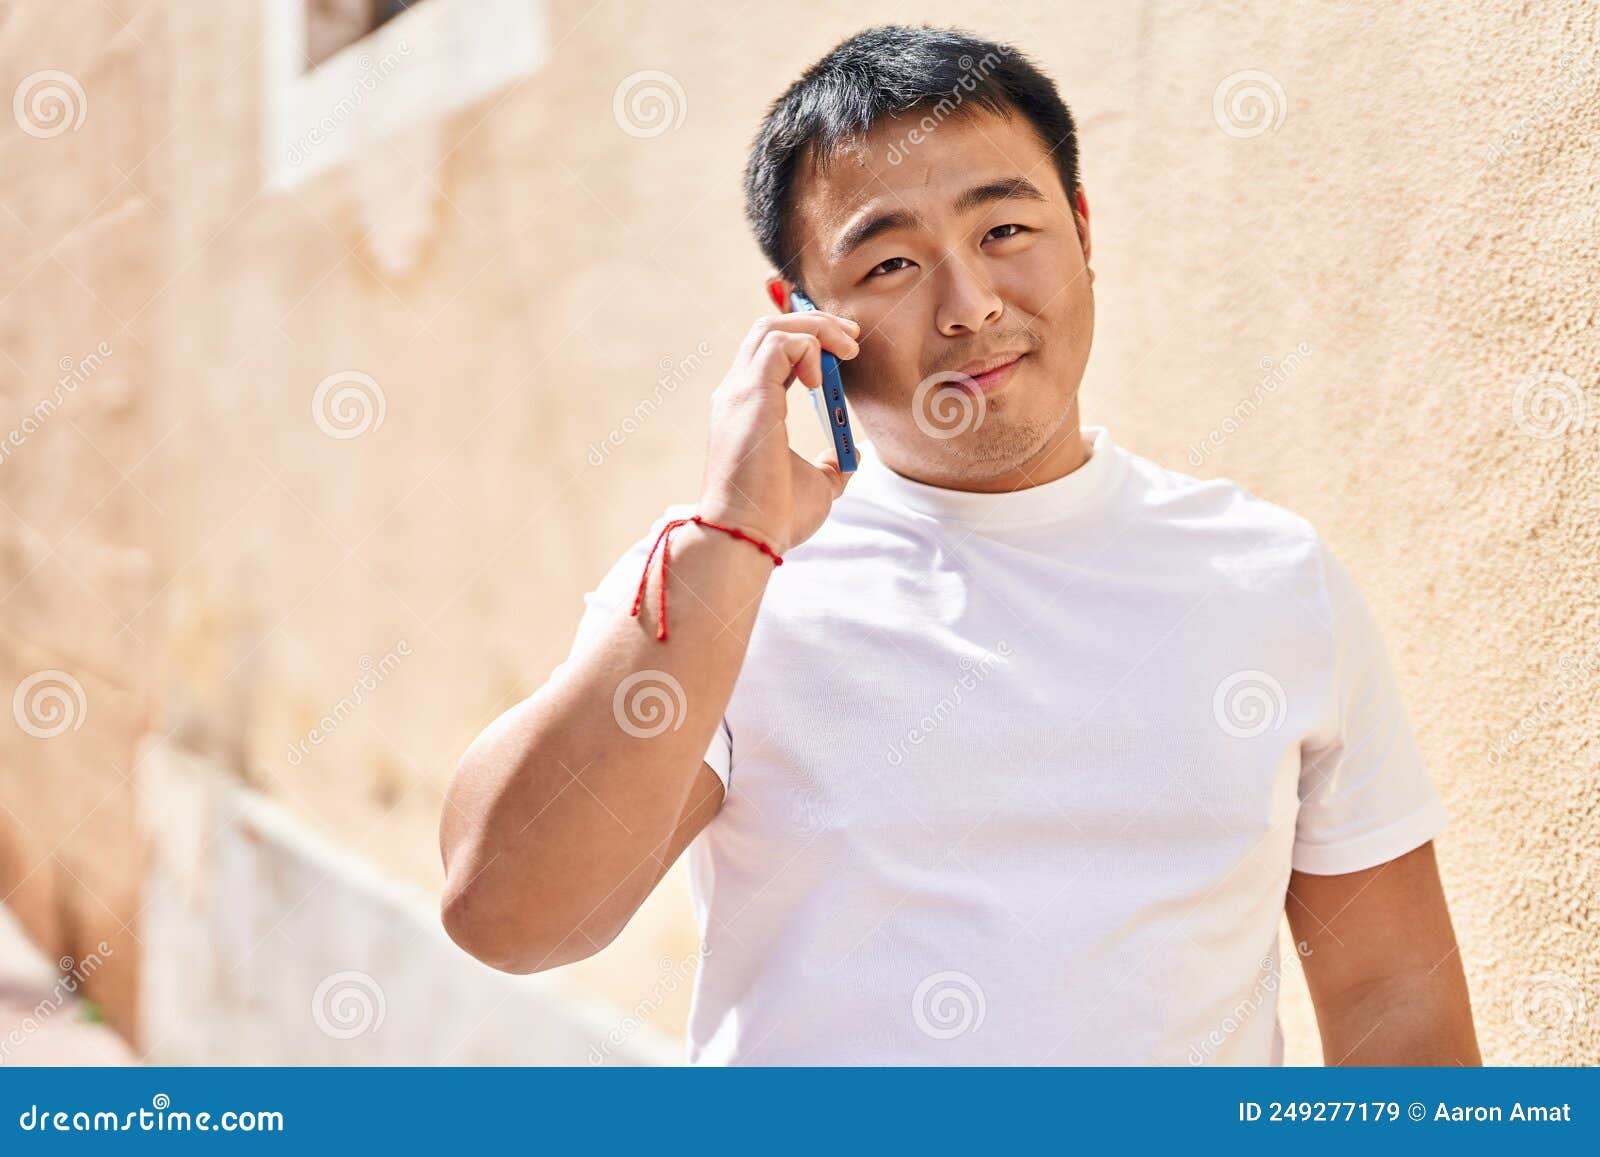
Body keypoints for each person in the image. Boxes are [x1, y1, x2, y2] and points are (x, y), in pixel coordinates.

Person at [439, 24, 1480, 1066]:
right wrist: (732, 540)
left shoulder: (1270, 577)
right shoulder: (725, 583)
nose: (971, 305)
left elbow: (1391, 994)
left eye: (1005, 230)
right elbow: (509, 917)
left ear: (1082, 230)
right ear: (800, 317)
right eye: (891, 261)